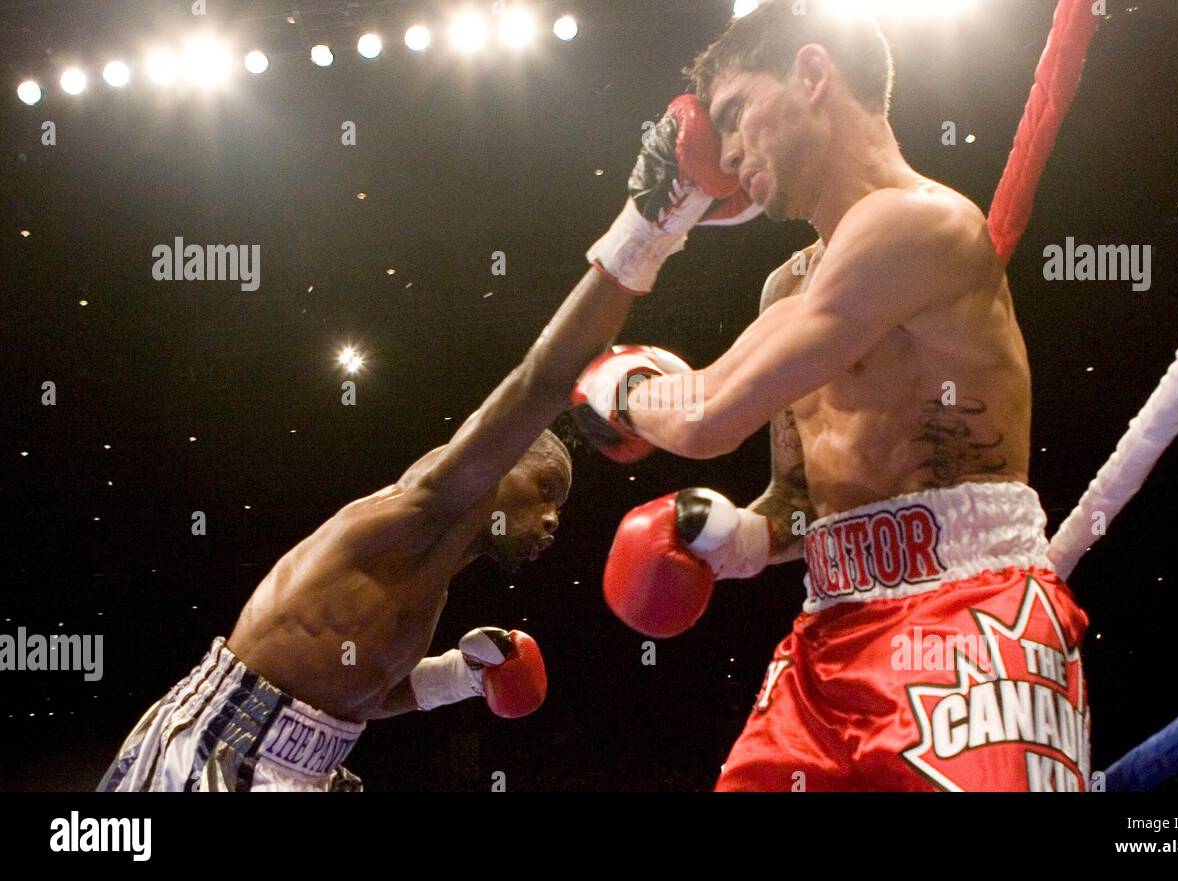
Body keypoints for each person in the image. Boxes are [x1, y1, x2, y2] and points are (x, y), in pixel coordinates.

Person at [97, 88, 754, 791]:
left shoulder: (431, 579)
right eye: (544, 491)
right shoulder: (421, 508)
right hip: (220, 748)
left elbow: (359, 691)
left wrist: (456, 677)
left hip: (300, 764)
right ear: (501, 468)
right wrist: (649, 229)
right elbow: (537, 384)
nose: (552, 519)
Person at [576, 2, 1091, 792]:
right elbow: (799, 499)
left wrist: (618, 386)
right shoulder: (786, 285)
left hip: (972, 619)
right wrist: (737, 538)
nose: (731, 152)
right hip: (827, 636)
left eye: (739, 115)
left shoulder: (920, 224)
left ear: (813, 74)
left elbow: (710, 414)